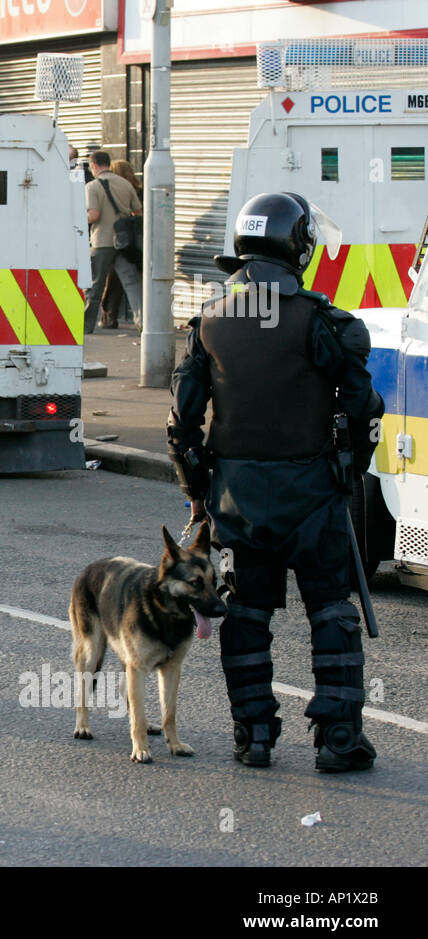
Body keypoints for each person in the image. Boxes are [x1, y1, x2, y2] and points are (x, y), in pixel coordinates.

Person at [168, 192, 384, 773]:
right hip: (314, 493)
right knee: (332, 612)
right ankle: (339, 738)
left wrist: (195, 490)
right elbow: (364, 410)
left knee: (246, 614)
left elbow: (183, 425)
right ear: (300, 245)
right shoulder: (329, 323)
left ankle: (253, 735)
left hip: (237, 497)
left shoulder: (210, 321)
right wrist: (350, 470)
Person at [82, 150, 142, 335]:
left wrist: (79, 220)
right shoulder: (125, 184)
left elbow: (94, 214)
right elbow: (138, 212)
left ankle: (86, 326)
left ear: (94, 165)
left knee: (95, 284)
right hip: (123, 243)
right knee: (131, 283)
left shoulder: (92, 186)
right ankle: (143, 323)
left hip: (101, 240)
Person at [99, 158, 143, 330]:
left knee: (110, 282)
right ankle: (141, 319)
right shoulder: (138, 190)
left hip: (115, 239)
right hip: (135, 242)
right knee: (133, 282)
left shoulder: (108, 187)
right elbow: (139, 213)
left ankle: (109, 316)